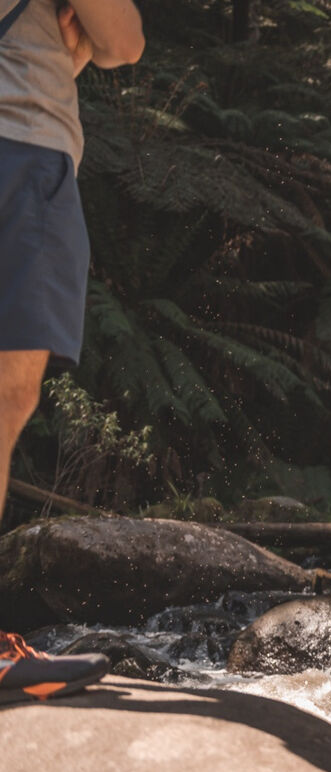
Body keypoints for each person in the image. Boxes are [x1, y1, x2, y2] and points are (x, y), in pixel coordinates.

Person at [0, 0, 144, 703]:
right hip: (23, 142)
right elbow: (121, 38)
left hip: (31, 144)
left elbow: (119, 43)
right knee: (3, 398)